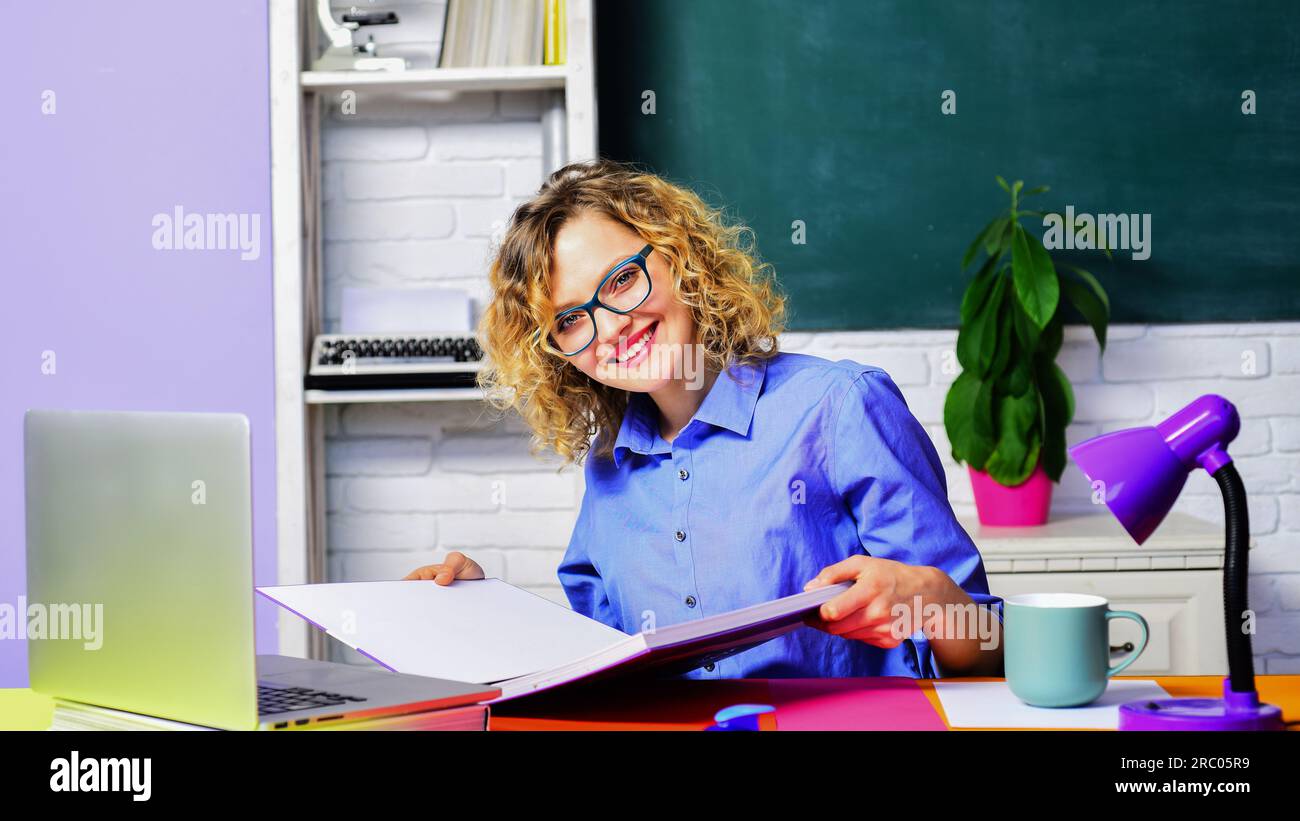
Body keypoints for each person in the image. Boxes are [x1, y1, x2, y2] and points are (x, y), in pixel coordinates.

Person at [406, 159, 1002, 678]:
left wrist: (929, 597)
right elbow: (606, 664)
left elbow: (993, 648)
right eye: (569, 320)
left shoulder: (841, 406)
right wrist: (483, 615)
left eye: (621, 280)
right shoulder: (611, 464)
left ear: (678, 259)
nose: (610, 325)